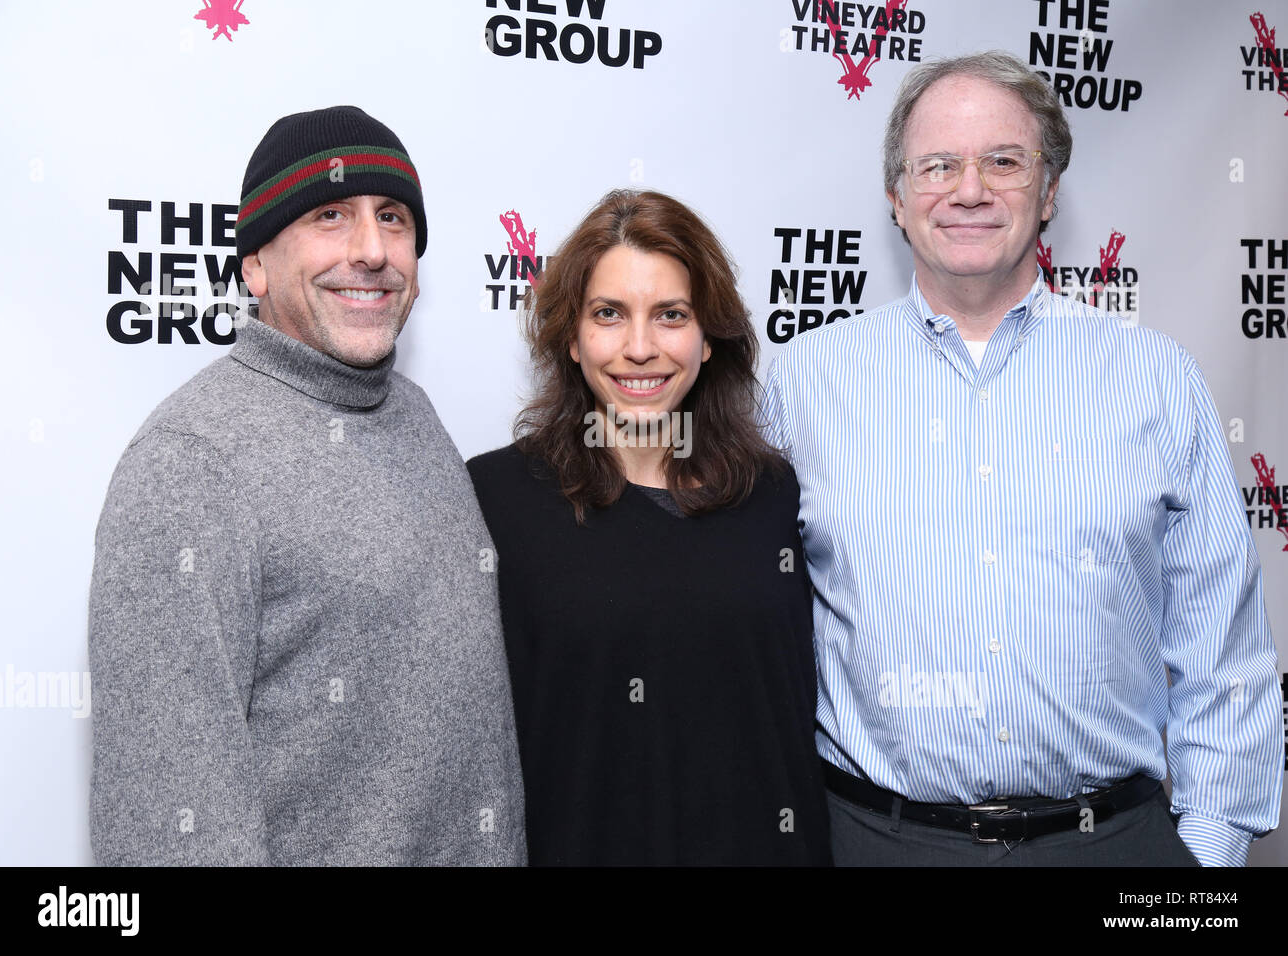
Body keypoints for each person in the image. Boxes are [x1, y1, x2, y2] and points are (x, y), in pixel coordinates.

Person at [761, 51, 1280, 867]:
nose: (970, 190)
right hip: (874, 843)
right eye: (938, 165)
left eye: (1005, 161)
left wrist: (1206, 860)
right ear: (897, 197)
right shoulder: (800, 386)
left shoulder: (1154, 377)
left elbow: (1224, 646)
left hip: (1115, 846)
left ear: (1049, 191)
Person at [88, 106, 526, 866]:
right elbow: (169, 827)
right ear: (253, 264)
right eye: (330, 216)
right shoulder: (190, 462)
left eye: (393, 219)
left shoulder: (413, 414)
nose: (372, 251)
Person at [467, 189, 831, 865]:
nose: (640, 349)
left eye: (670, 315)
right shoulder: (496, 499)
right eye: (609, 314)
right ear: (572, 339)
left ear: (707, 337)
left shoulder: (777, 493)